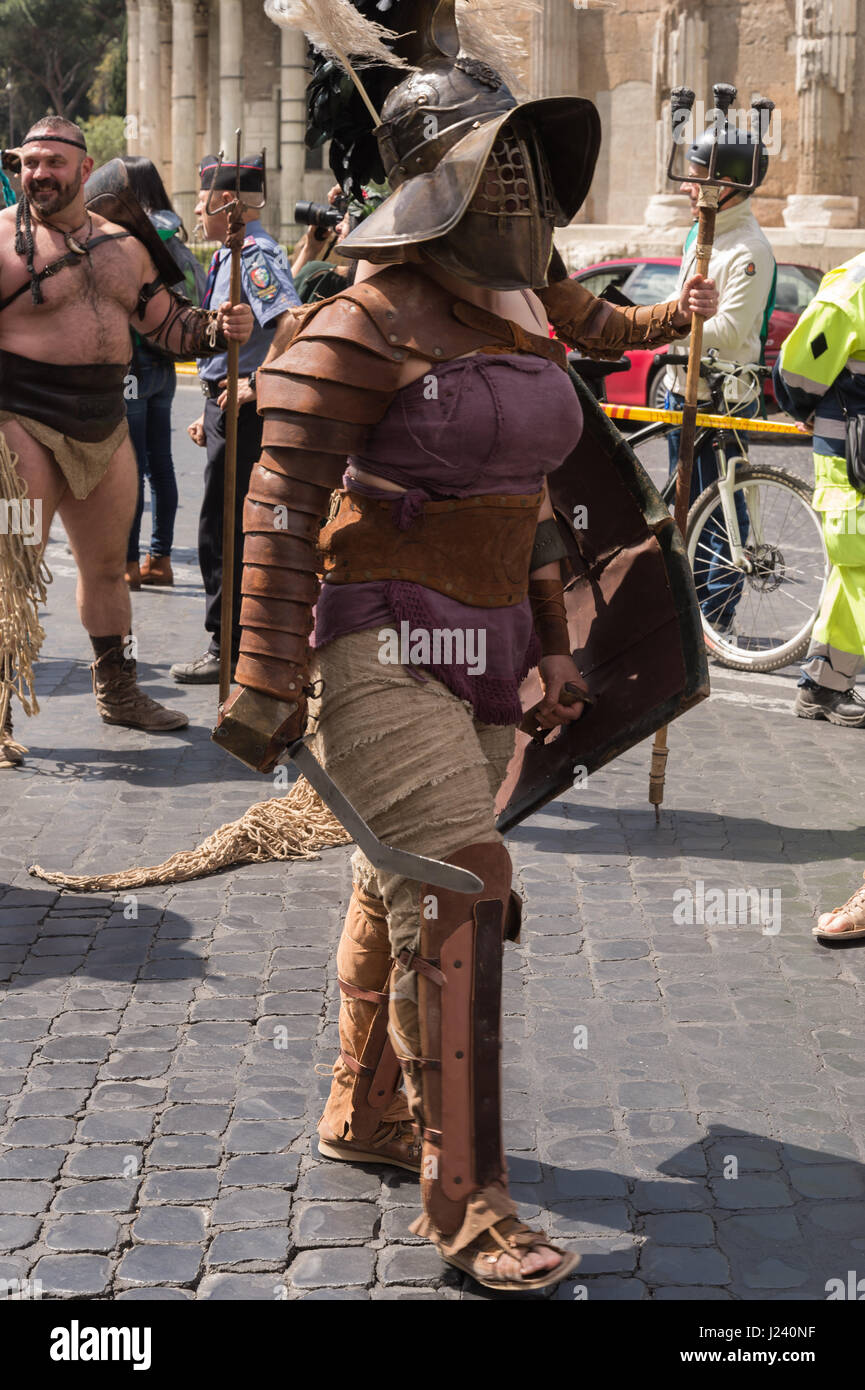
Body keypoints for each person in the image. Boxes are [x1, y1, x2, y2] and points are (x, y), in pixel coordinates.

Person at [217, 0, 715, 1291]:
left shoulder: (521, 312)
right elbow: (275, 509)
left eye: (530, 166)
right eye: (496, 166)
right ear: (434, 188)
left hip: (491, 639)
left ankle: (361, 1106)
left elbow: (541, 497)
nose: (522, 189)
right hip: (374, 632)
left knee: (397, 879)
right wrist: (263, 681)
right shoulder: (357, 326)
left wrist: (557, 644)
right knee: (456, 885)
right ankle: (469, 1200)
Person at [0, 116, 253, 769]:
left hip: (105, 423)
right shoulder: (0, 240)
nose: (39, 174)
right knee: (10, 571)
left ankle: (119, 689)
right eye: (28, 163)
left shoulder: (126, 245)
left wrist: (217, 325)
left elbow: (168, 327)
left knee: (109, 569)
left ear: (85, 170)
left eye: (53, 162)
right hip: (19, 423)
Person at [169, 155, 301, 685]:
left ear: (228, 205)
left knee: (226, 529)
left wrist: (254, 382)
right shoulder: (232, 252)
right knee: (220, 525)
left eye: (203, 205)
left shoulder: (253, 255)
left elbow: (289, 319)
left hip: (244, 409)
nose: (198, 215)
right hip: (224, 405)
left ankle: (227, 646)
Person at [664, 128, 776, 631]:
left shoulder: (750, 249)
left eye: (694, 179)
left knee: (721, 512)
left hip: (723, 401)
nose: (686, 189)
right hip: (680, 392)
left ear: (725, 185)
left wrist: (683, 322)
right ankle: (683, 605)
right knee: (680, 505)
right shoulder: (699, 234)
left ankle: (716, 615)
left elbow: (731, 333)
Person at [774, 251, 865, 733]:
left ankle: (822, 684)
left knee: (857, 575)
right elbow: (797, 370)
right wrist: (802, 404)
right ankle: (824, 685)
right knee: (859, 573)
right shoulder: (855, 286)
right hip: (855, 462)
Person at [121, 156, 205, 591]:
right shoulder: (175, 236)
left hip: (132, 364)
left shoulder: (133, 236)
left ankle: (130, 565)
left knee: (130, 468)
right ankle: (162, 558)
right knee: (162, 465)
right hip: (167, 363)